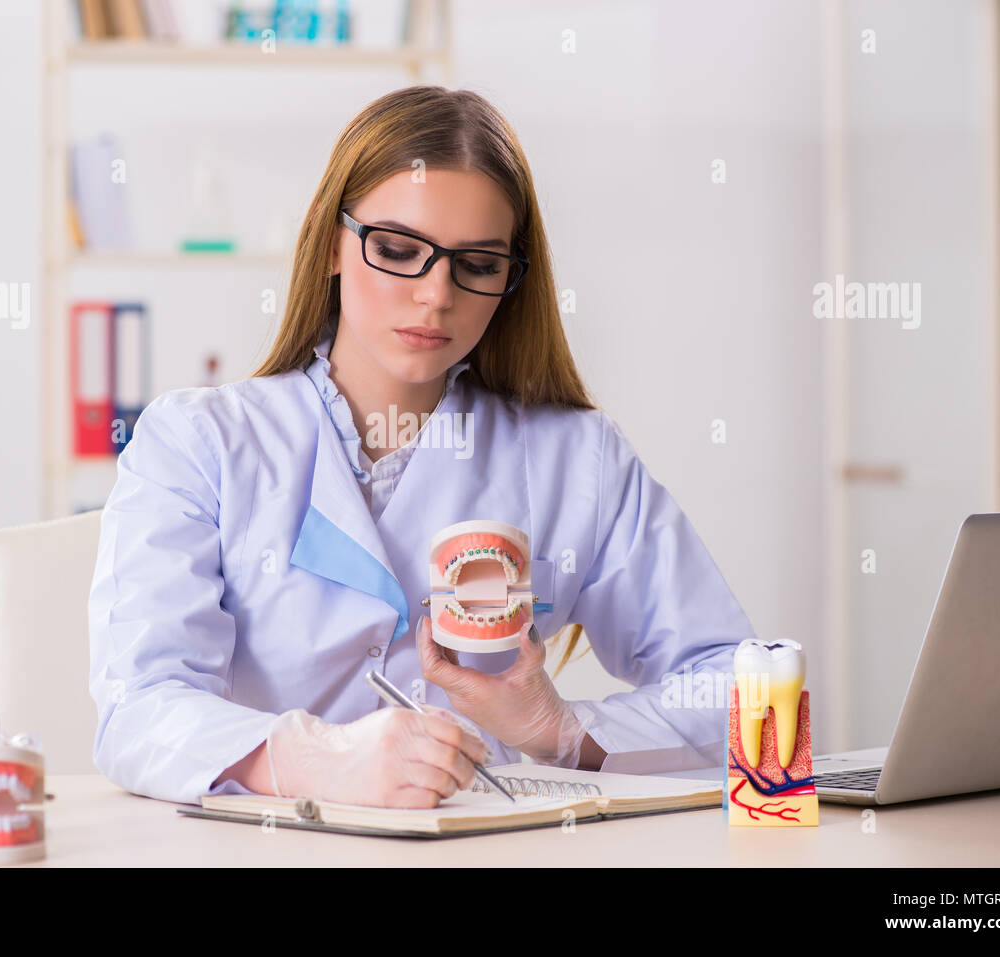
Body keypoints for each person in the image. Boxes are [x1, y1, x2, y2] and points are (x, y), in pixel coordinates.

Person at [88, 86, 757, 808]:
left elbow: (744, 691)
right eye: (399, 249)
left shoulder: (574, 458)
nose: (437, 295)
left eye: (476, 264)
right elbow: (140, 705)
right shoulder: (199, 443)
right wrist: (315, 760)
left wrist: (564, 731)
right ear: (330, 243)